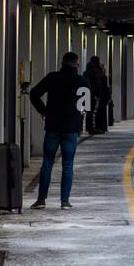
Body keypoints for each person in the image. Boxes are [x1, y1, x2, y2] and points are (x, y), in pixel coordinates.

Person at [29, 51, 90, 209]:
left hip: (53, 126)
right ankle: (65, 201)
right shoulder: (82, 81)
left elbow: (34, 93)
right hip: (71, 128)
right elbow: (88, 105)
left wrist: (44, 111)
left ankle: (41, 200)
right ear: (77, 65)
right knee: (68, 164)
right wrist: (78, 115)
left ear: (62, 63)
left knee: (47, 163)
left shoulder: (52, 77)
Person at [84, 56, 111, 134]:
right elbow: (98, 84)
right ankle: (95, 128)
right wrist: (99, 95)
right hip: (94, 94)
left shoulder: (86, 72)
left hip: (87, 93)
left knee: (89, 111)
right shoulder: (97, 71)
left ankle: (89, 127)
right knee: (95, 111)